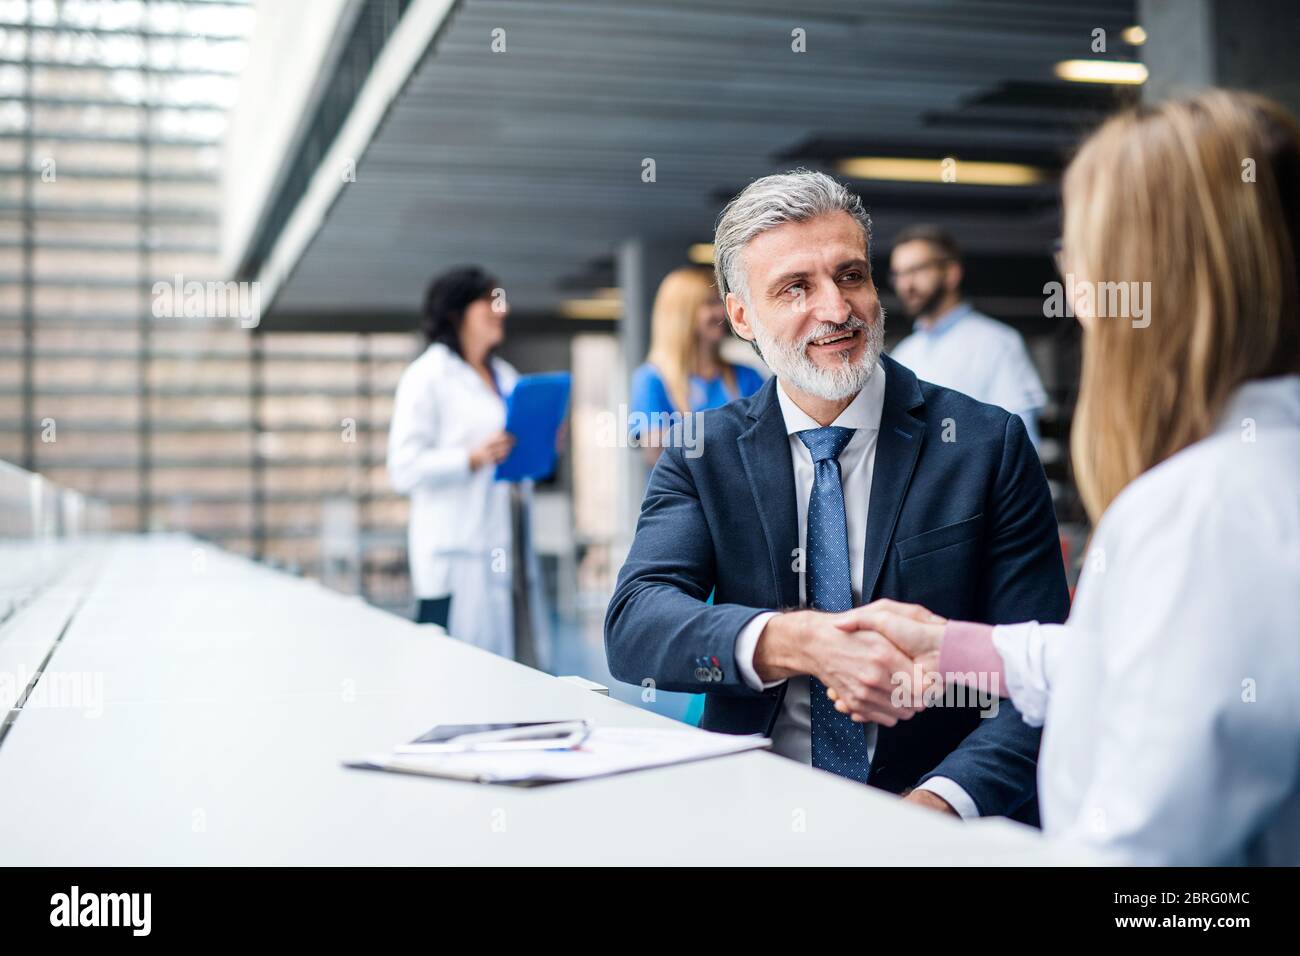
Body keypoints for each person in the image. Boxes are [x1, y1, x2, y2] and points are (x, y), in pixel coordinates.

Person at [831, 90, 1300, 865]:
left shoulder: (1201, 512)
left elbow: (1139, 868)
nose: (1075, 289)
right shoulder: (1246, 480)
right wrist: (962, 649)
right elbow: (1170, 670)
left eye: (1080, 257)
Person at [605, 169, 1070, 819]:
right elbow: (636, 627)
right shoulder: (700, 452)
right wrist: (797, 643)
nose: (837, 308)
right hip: (753, 810)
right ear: (741, 315)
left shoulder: (985, 445)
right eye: (796, 287)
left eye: (851, 275)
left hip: (938, 815)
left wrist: (938, 806)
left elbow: (1043, 676)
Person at [387, 265, 543, 664]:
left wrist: (540, 443)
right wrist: (469, 458)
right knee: (454, 671)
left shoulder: (506, 376)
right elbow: (403, 468)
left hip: (506, 546)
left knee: (509, 670)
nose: (501, 310)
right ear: (457, 312)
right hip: (456, 554)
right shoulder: (427, 376)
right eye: (489, 301)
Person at [888, 225, 1047, 447]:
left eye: (917, 270)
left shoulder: (999, 343)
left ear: (951, 273)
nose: (907, 284)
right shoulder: (903, 354)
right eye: (899, 274)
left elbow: (1022, 443)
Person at [629, 266, 765, 465]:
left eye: (721, 301)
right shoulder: (651, 380)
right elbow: (657, 454)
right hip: (684, 496)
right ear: (683, 314)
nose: (722, 311)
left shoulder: (747, 376)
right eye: (710, 303)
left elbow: (767, 441)